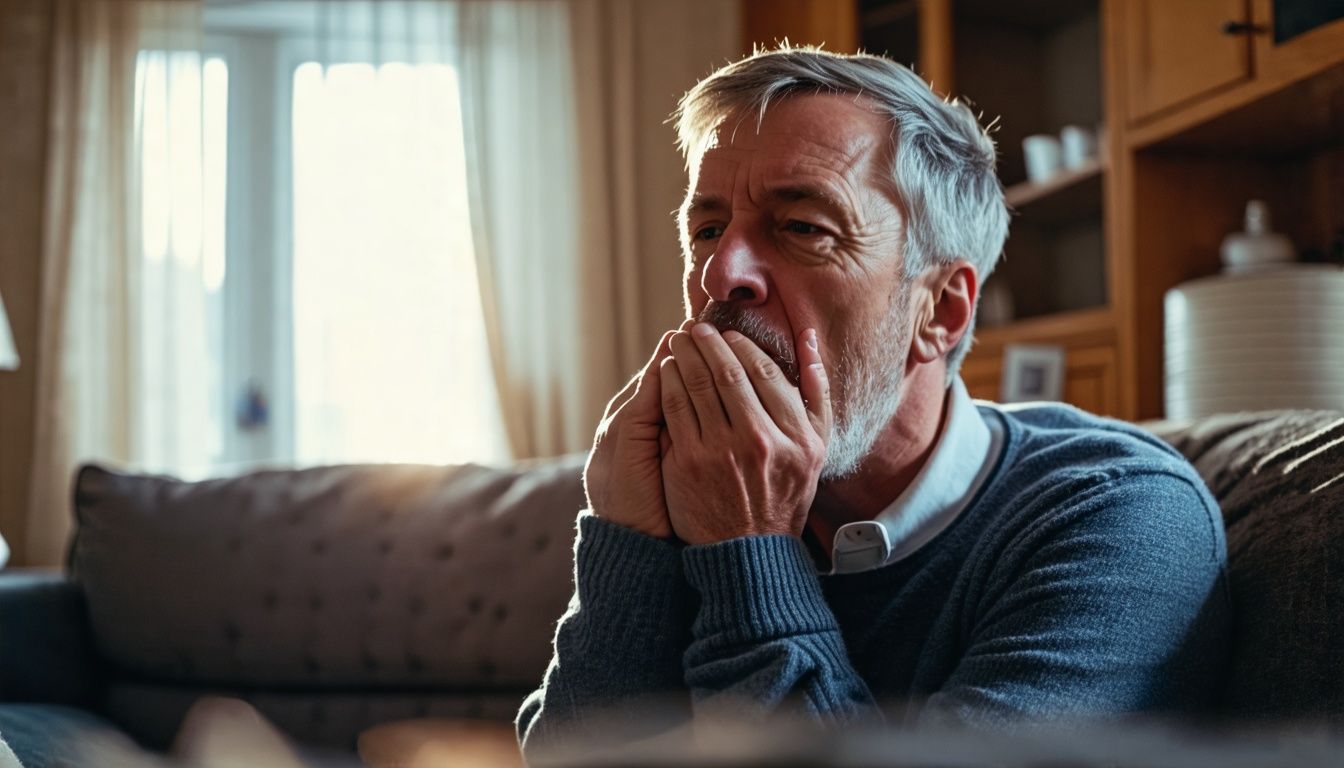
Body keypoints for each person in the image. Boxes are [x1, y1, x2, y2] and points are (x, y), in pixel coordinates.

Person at [517, 46, 1229, 758]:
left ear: (940, 313)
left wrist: (748, 551)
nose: (718, 274)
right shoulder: (696, 488)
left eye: (802, 228)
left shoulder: (1122, 517)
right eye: (706, 230)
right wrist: (628, 549)